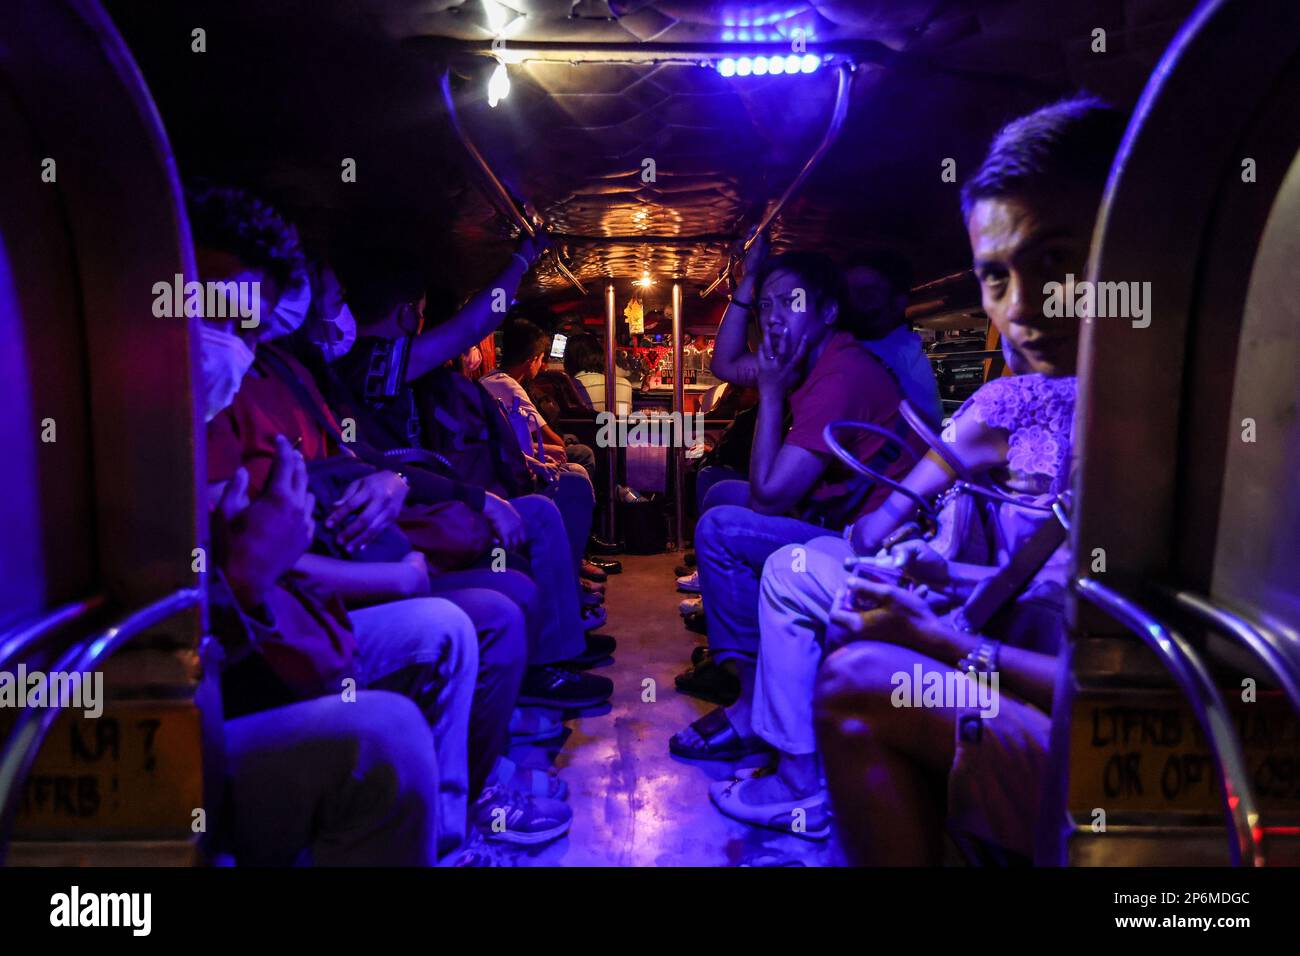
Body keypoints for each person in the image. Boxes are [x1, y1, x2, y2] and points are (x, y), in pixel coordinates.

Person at [800, 96, 1124, 863]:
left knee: (858, 678)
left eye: (1054, 260)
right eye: (994, 275)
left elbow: (1141, 698)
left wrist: (939, 639)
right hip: (1075, 703)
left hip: (1154, 775)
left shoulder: (1204, 427)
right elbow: (1070, 592)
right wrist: (945, 571)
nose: (1020, 309)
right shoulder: (1093, 409)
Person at [670, 244, 920, 760]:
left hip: (872, 547)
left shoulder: (840, 376)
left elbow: (767, 499)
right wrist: (747, 284)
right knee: (720, 490)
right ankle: (754, 672)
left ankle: (749, 704)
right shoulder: (811, 356)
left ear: (828, 311)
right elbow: (723, 363)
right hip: (835, 520)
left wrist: (771, 395)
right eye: (767, 306)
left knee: (721, 526)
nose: (774, 318)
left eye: (791, 302)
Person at [481, 318, 598, 479]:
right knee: (583, 454)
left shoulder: (488, 379)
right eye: (541, 359)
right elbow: (554, 442)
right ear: (531, 361)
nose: (543, 366)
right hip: (512, 464)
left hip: (503, 456)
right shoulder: (510, 387)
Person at [842, 250, 944, 429]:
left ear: (898, 303)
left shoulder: (882, 361)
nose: (851, 303)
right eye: (845, 293)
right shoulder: (890, 349)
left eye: (866, 294)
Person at [565, 331, 633, 414]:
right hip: (619, 427)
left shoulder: (570, 387)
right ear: (600, 354)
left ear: (569, 359)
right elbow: (623, 421)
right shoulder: (625, 384)